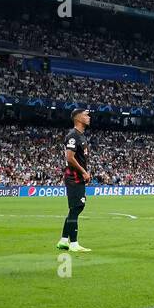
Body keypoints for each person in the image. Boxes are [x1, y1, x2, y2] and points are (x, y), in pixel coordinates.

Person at [58, 108, 92, 252]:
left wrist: (85, 172)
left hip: (78, 176)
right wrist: (84, 172)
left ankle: (64, 240)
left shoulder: (81, 136)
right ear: (78, 118)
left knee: (75, 208)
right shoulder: (73, 135)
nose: (89, 117)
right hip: (74, 177)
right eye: (86, 115)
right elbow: (69, 157)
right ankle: (74, 243)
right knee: (77, 207)